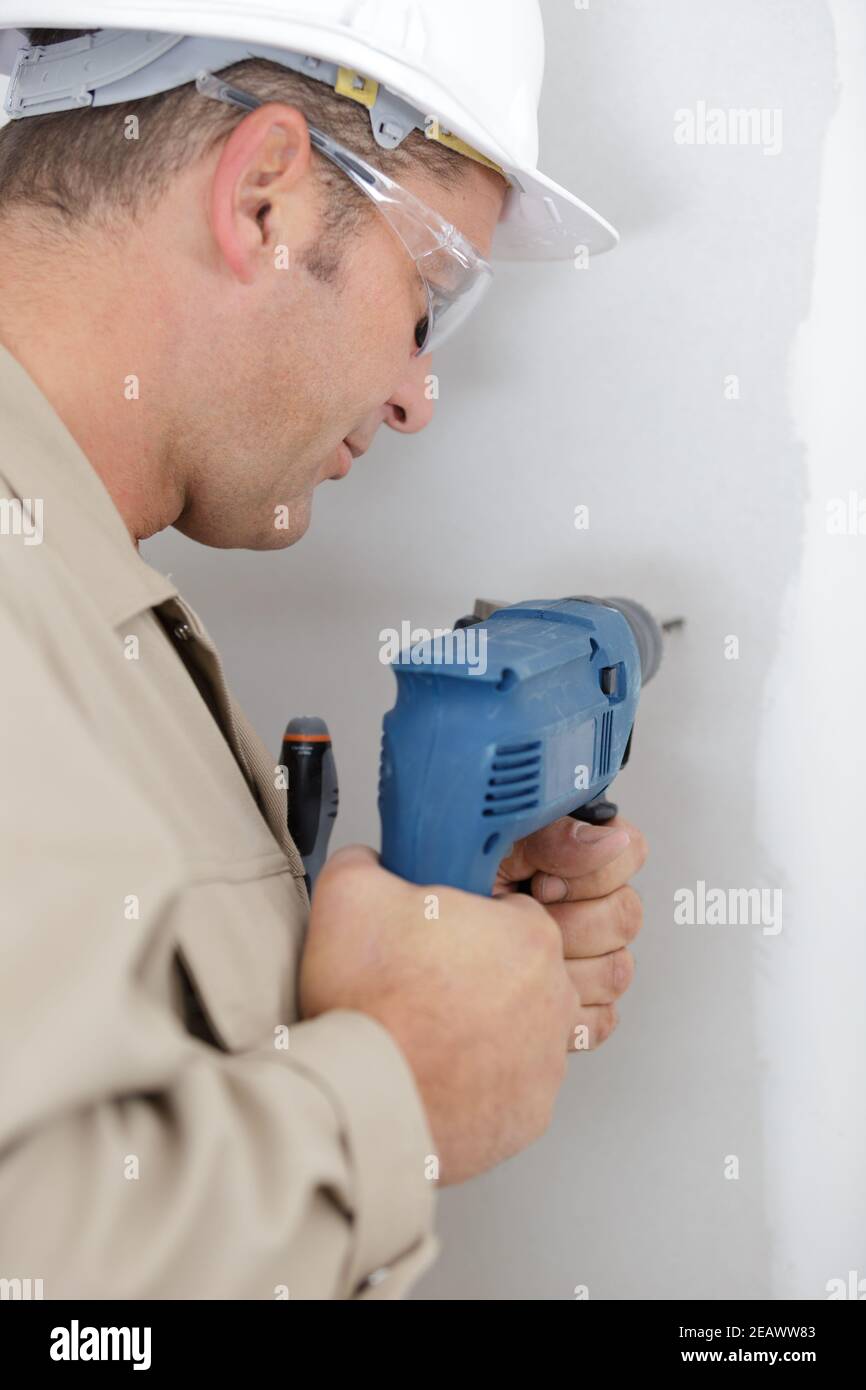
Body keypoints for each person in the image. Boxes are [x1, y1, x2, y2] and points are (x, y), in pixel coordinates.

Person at [0, 2, 647, 1300]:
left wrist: (372, 977)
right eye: (430, 306)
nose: (413, 398)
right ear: (266, 201)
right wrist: (394, 1086)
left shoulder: (88, 602)